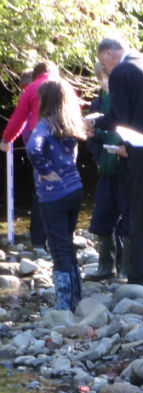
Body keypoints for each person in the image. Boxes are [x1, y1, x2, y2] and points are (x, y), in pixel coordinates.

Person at [87, 38, 143, 287]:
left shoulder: (122, 71)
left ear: (109, 53)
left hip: (141, 149)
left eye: (104, 62)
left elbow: (119, 118)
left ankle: (138, 275)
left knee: (139, 215)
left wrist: (93, 121)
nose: (106, 69)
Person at [25, 79, 86, 311]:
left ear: (46, 101)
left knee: (58, 248)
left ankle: (63, 305)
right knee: (67, 243)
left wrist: (45, 171)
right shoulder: (69, 122)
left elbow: (32, 147)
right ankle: (76, 297)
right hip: (75, 189)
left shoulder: (45, 124)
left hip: (53, 195)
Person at [2, 60, 56, 250]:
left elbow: (19, 118)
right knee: (63, 186)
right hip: (64, 141)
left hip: (39, 142)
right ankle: (59, 237)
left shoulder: (33, 88)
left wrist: (6, 139)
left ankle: (39, 240)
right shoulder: (65, 86)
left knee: (42, 187)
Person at [83, 61, 129, 281]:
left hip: (125, 169)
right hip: (107, 169)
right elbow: (106, 135)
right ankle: (106, 266)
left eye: (108, 77)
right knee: (101, 217)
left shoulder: (125, 98)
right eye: (102, 78)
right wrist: (94, 136)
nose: (105, 83)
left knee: (126, 222)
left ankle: (126, 267)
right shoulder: (99, 102)